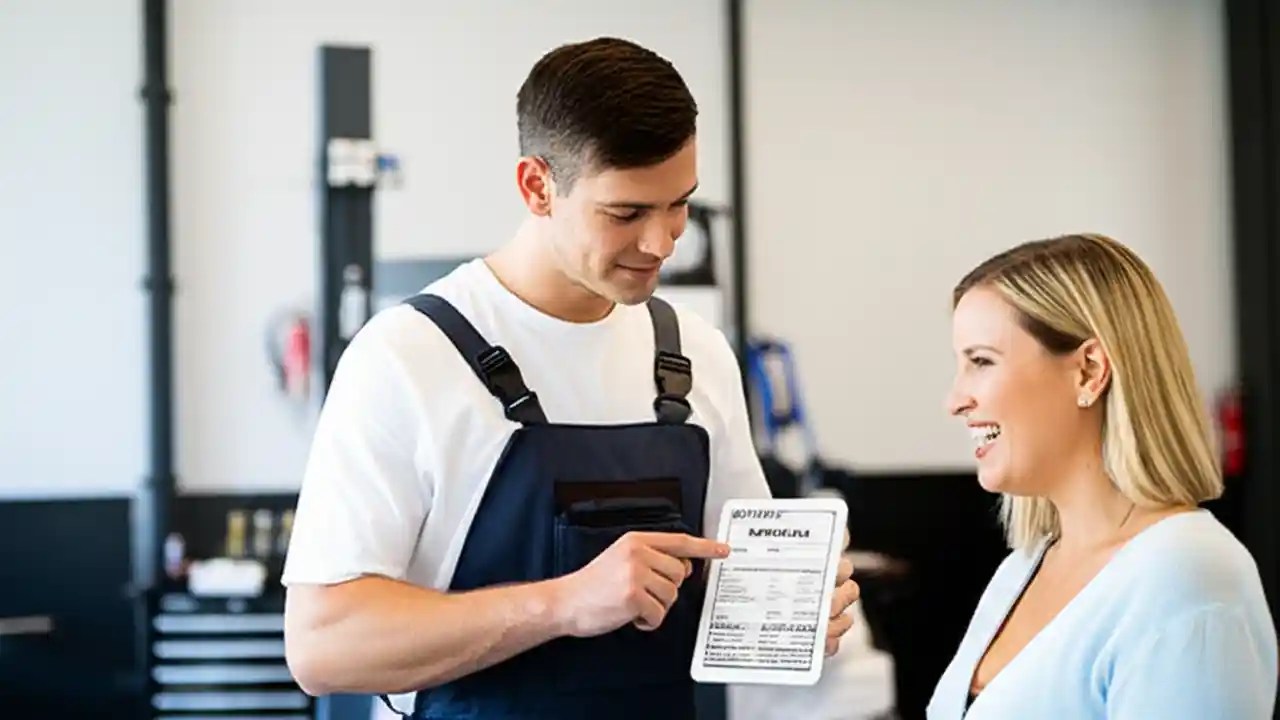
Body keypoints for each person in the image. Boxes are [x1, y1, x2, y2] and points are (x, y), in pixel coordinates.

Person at [281, 36, 861, 720]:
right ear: (537, 187)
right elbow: (322, 647)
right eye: (626, 213)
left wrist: (791, 614)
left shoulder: (697, 354)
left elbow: (731, 589)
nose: (661, 243)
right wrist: (564, 603)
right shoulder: (405, 356)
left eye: (678, 204)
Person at [928, 233, 1278, 719]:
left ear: (1089, 371)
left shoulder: (1189, 578)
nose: (955, 400)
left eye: (981, 361)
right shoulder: (1023, 568)